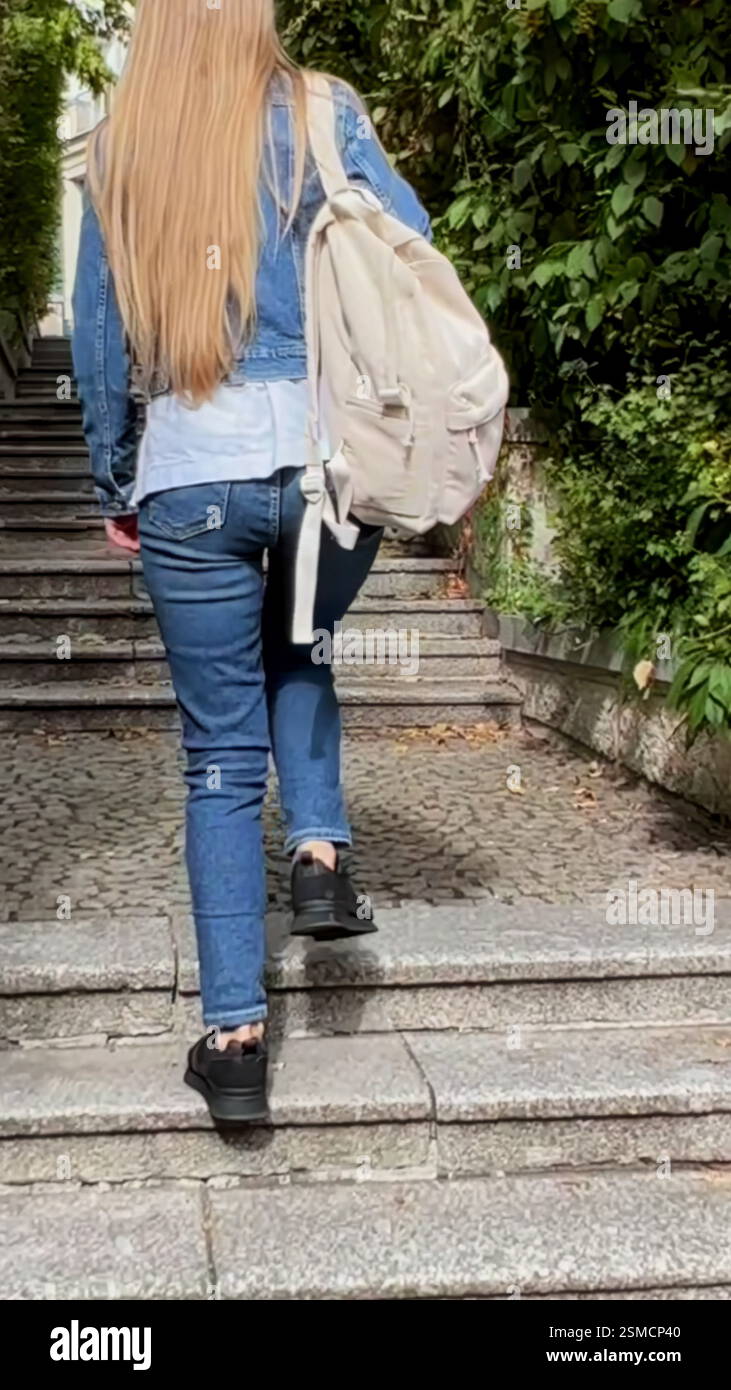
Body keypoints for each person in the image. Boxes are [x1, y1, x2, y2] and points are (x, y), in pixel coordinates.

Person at [72, 0, 431, 1124]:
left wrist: (114, 470)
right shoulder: (324, 111)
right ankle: (320, 853)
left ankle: (233, 1040)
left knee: (217, 757)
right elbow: (409, 250)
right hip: (324, 465)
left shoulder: (125, 137)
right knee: (304, 642)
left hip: (191, 468)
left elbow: (95, 330)